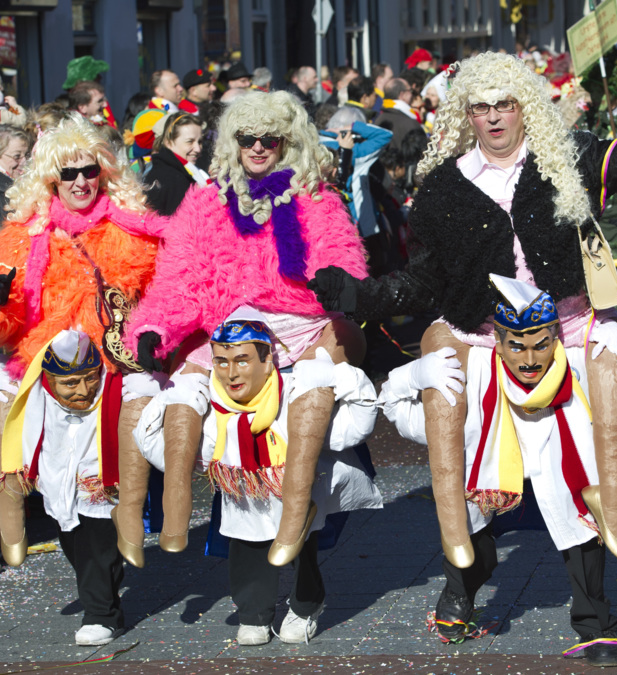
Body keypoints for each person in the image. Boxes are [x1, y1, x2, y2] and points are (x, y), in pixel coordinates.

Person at [307, 52, 617, 582]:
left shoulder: (561, 159)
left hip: (569, 332)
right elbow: (424, 282)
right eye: (480, 107)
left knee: (582, 469)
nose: (492, 117)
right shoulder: (445, 187)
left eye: (504, 105)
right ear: (465, 115)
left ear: (524, 108)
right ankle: (463, 579)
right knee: (469, 456)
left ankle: (594, 612)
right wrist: (357, 296)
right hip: (487, 340)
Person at [121, 90, 369, 568]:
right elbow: (181, 277)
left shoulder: (313, 196)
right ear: (231, 143)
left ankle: (297, 509)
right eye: (246, 138)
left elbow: (340, 253)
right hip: (230, 328)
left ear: (286, 141)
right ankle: (176, 506)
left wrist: (337, 279)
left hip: (300, 324)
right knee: (185, 390)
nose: (256, 148)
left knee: (315, 385)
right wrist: (155, 327)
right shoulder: (206, 200)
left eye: (268, 139)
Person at [379, 275, 617, 666]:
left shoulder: (578, 376)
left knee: (586, 533)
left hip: (561, 489)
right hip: (498, 491)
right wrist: (410, 376)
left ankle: (596, 625)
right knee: (473, 546)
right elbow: (405, 416)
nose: (530, 360)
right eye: (517, 346)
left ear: (556, 340)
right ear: (498, 345)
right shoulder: (474, 380)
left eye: (541, 346)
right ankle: (459, 592)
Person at [0, 113, 160, 568]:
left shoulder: (132, 230)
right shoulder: (24, 237)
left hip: (108, 373)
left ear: (104, 172)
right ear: (50, 179)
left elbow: (161, 298)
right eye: (67, 173)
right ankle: (12, 510)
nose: (79, 181)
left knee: (101, 484)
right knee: (58, 489)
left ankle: (102, 597)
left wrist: (152, 334)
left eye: (89, 170)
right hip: (46, 376)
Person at [134, 307, 382, 645]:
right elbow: (161, 451)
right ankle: (254, 614)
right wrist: (172, 399)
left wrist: (339, 376)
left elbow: (349, 431)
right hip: (243, 498)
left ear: (266, 361)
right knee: (246, 550)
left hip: (293, 494)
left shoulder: (294, 393)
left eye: (241, 360)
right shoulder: (212, 408)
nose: (231, 373)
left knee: (300, 548)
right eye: (221, 362)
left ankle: (305, 606)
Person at [0, 330, 126, 645]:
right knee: (74, 542)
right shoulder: (35, 386)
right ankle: (107, 598)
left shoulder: (111, 382)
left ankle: (100, 614)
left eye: (90, 379)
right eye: (71, 383)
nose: (83, 390)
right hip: (55, 477)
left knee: (95, 544)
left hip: (98, 477)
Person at [319, 107, 393, 272]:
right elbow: (385, 135)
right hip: (356, 222)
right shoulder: (355, 152)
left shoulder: (313, 143)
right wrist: (354, 127)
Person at [143, 112, 211, 216]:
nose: (198, 149)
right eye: (190, 141)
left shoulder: (187, 173)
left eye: (200, 142)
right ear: (169, 142)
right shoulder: (168, 179)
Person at [374, 78, 422, 145]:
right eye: (410, 90)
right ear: (402, 95)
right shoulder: (409, 123)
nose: (412, 94)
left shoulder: (379, 120)